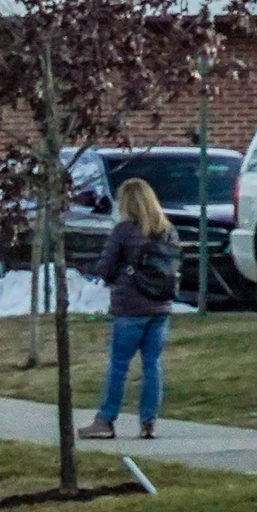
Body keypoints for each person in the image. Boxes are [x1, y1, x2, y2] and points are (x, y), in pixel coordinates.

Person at [80, 179, 182, 440]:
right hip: (161, 306)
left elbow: (105, 268)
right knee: (152, 364)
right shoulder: (168, 230)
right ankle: (149, 421)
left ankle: (105, 420)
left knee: (119, 365)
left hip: (130, 307)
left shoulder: (124, 231)